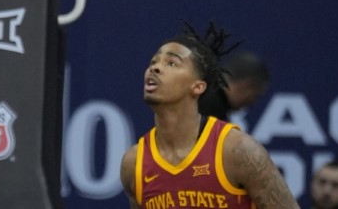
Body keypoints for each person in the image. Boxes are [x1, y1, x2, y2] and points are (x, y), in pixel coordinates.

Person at [119, 24, 298, 209]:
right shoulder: (133, 163)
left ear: (198, 86)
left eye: (172, 63)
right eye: (153, 62)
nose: (155, 68)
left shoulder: (239, 151)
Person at [197, 51, 271, 121]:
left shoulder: (199, 89)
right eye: (255, 96)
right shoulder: (213, 112)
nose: (253, 102)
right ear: (247, 85)